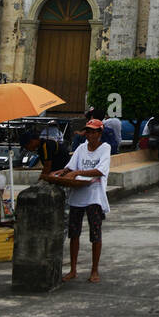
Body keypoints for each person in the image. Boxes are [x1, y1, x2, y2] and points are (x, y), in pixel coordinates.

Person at [49, 120, 111, 283]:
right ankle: (73, 269)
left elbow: (100, 170)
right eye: (88, 132)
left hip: (94, 195)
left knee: (95, 234)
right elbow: (71, 166)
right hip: (77, 195)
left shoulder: (105, 148)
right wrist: (64, 172)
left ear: (99, 133)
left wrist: (77, 172)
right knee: (74, 234)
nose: (89, 134)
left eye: (93, 132)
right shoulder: (81, 148)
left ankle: (94, 270)